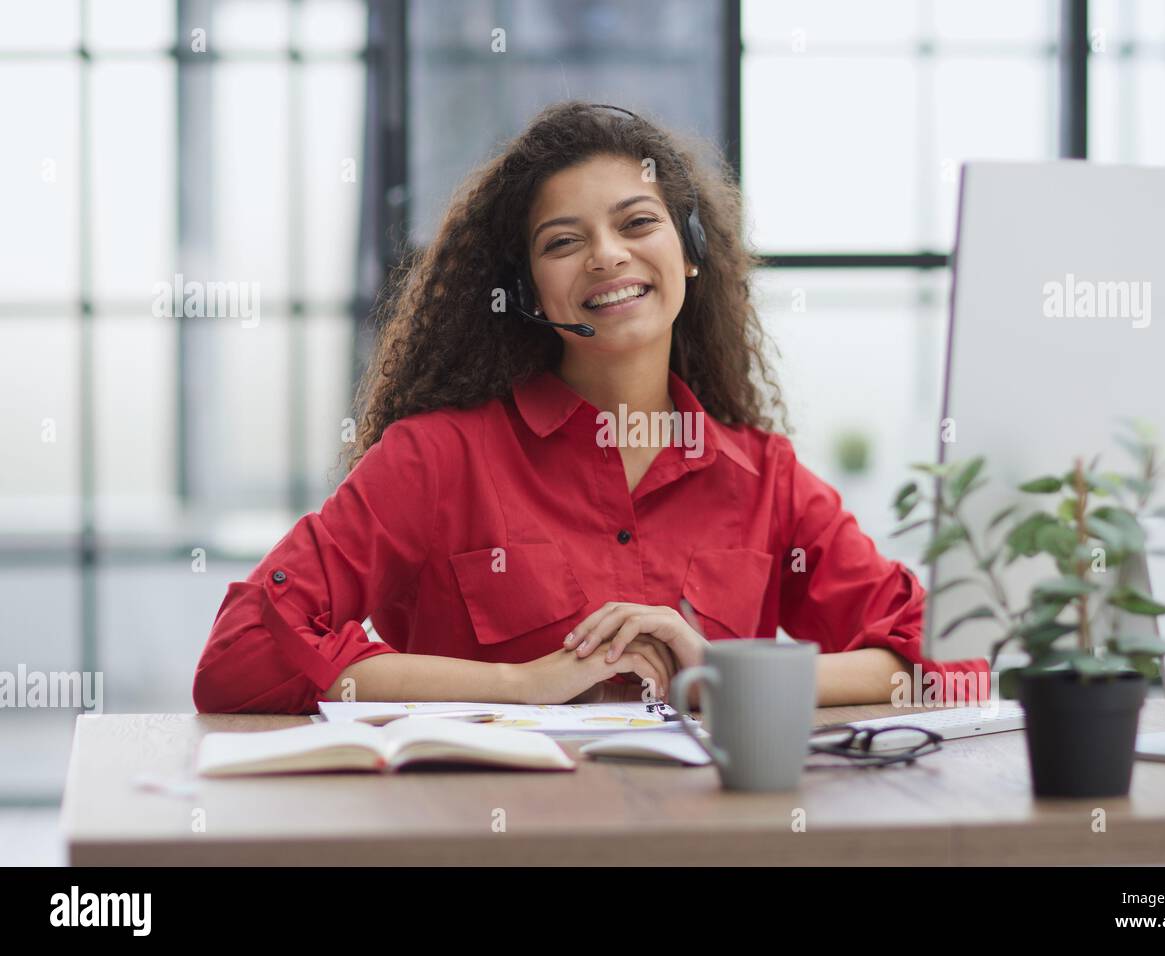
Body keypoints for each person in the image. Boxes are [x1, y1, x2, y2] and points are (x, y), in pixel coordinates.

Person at [192, 100, 989, 715]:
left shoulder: (763, 477)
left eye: (638, 223)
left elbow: (955, 666)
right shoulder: (435, 460)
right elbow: (243, 654)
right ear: (531, 292)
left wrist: (722, 677)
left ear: (693, 254)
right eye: (563, 242)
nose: (608, 254)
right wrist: (521, 684)